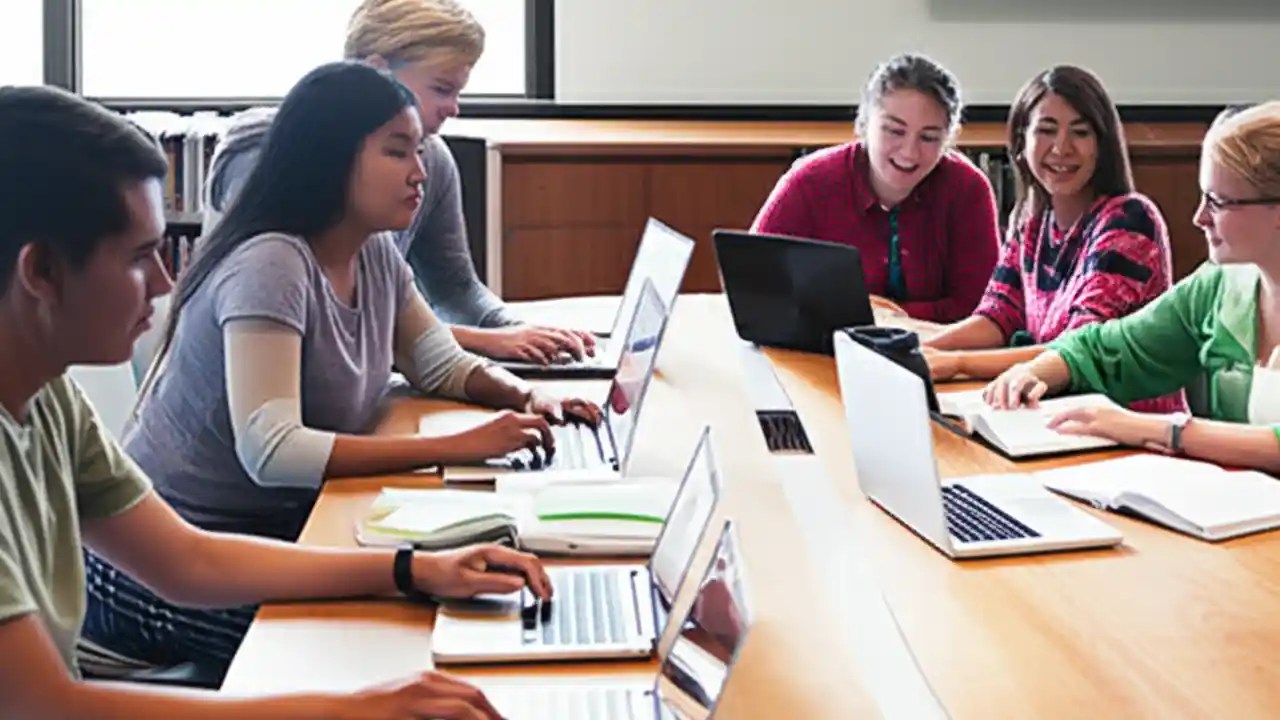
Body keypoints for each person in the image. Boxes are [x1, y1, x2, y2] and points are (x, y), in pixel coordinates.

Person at [0, 82, 542, 719]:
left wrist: (411, 569)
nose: (166, 282)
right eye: (142, 257)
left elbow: (187, 558)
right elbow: (45, 705)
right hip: (103, 638)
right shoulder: (269, 263)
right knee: (354, 662)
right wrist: (350, 709)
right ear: (40, 273)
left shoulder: (50, 396)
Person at [205, 0, 593, 366]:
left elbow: (455, 289)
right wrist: (484, 342)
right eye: (442, 89)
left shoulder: (431, 159)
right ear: (376, 73)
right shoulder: (269, 156)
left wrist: (520, 332)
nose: (453, 108)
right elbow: (319, 330)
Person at [982, 102, 1280, 474]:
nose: (1199, 217)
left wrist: (1159, 431)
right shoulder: (1219, 287)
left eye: (1218, 202)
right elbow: (1108, 348)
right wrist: (1036, 371)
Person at [923, 66, 1182, 412]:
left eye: (1080, 133)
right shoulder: (1031, 223)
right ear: (1021, 143)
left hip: (1131, 428)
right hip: (1057, 413)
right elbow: (997, 317)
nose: (1062, 148)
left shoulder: (1129, 221)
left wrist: (957, 363)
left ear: (1101, 147)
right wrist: (925, 351)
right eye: (1046, 130)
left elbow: (1073, 350)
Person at [749, 53, 1000, 323]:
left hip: (938, 351)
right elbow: (754, 285)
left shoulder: (967, 189)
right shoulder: (809, 181)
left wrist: (882, 316)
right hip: (820, 346)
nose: (909, 153)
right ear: (865, 124)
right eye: (894, 131)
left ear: (949, 138)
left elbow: (982, 308)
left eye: (928, 137)